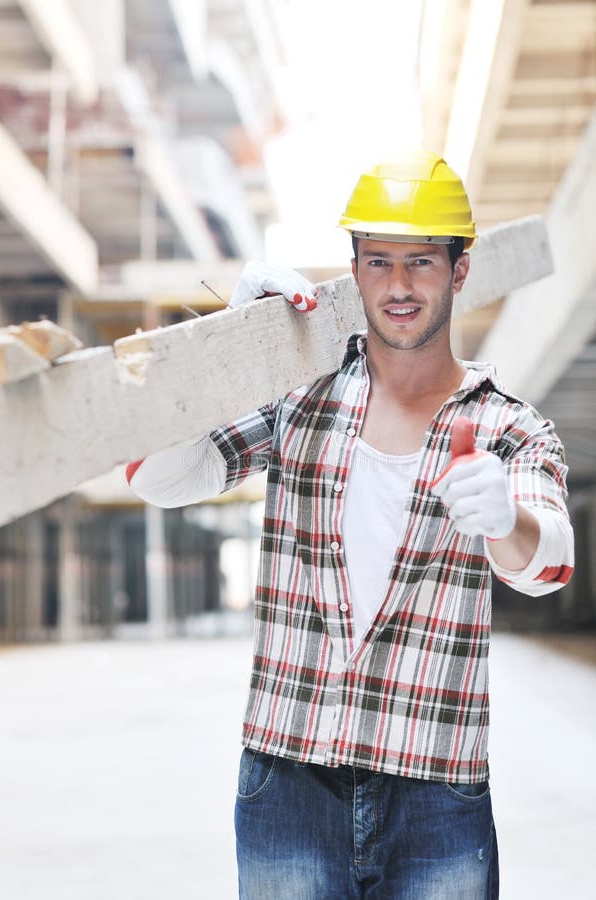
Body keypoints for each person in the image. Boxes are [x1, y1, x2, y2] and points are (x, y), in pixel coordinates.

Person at [127, 150, 574, 899]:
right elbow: (160, 476)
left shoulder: (508, 429)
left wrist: (507, 521)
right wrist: (231, 351)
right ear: (357, 268)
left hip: (436, 787)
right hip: (287, 780)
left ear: (460, 272)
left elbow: (548, 561)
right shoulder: (300, 400)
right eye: (379, 262)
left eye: (422, 263)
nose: (398, 286)